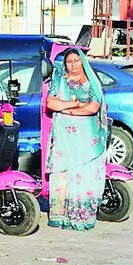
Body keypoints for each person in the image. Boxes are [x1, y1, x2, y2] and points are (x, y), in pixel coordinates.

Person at [45, 49, 108, 230]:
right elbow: (51, 103)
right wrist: (75, 104)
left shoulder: (91, 82)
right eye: (69, 61)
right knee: (63, 172)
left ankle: (82, 215)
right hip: (64, 137)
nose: (73, 64)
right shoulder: (59, 79)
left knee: (84, 174)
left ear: (82, 62)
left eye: (76, 60)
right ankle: (60, 216)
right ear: (65, 64)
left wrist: (67, 110)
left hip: (87, 138)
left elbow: (93, 108)